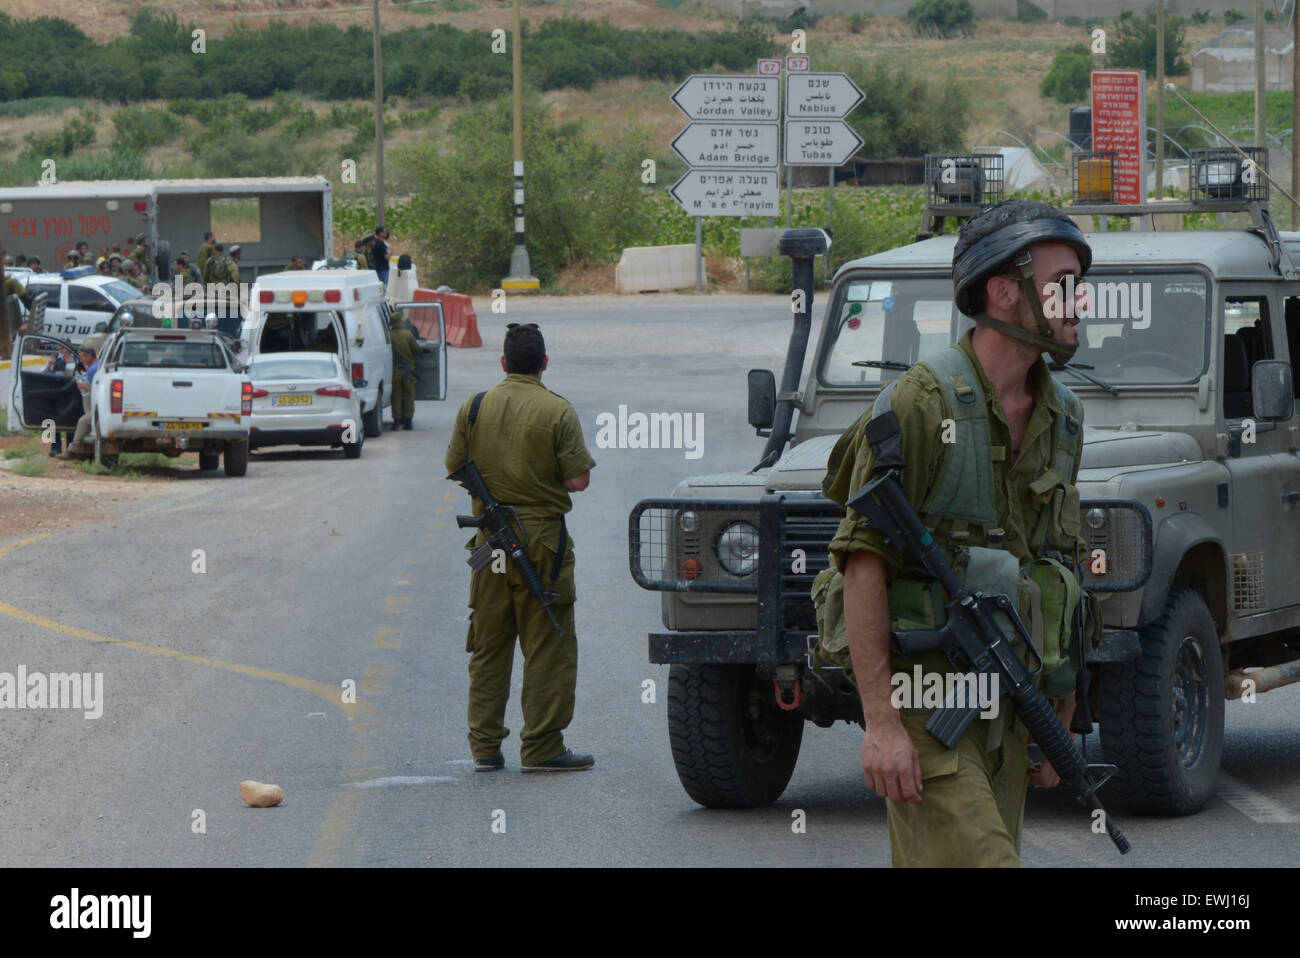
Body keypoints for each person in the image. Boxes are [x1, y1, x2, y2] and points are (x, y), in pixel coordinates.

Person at [821, 200, 1091, 867]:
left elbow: (1057, 563)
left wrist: (1060, 696)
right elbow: (862, 565)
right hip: (925, 696)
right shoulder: (921, 403)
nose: (1079, 299)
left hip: (1008, 701)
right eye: (1062, 283)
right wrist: (882, 724)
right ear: (1003, 290)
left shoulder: (1064, 418)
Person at [444, 323, 596, 773]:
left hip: (489, 543)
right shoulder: (557, 410)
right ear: (544, 363)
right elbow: (578, 480)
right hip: (542, 545)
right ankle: (542, 746)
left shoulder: (474, 408)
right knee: (548, 645)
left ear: (504, 363)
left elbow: (454, 465)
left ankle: (485, 748)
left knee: (489, 646)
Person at [57, 345, 100, 460]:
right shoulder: (98, 366)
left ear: (89, 356)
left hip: (98, 404)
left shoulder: (92, 369)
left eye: (82, 358)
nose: (81, 360)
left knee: (83, 421)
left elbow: (96, 390)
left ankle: (72, 450)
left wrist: (84, 386)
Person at [388, 308, 419, 429]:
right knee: (409, 395)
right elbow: (417, 349)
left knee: (396, 395)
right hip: (408, 370)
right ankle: (408, 421)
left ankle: (396, 421)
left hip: (395, 370)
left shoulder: (389, 336)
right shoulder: (408, 334)